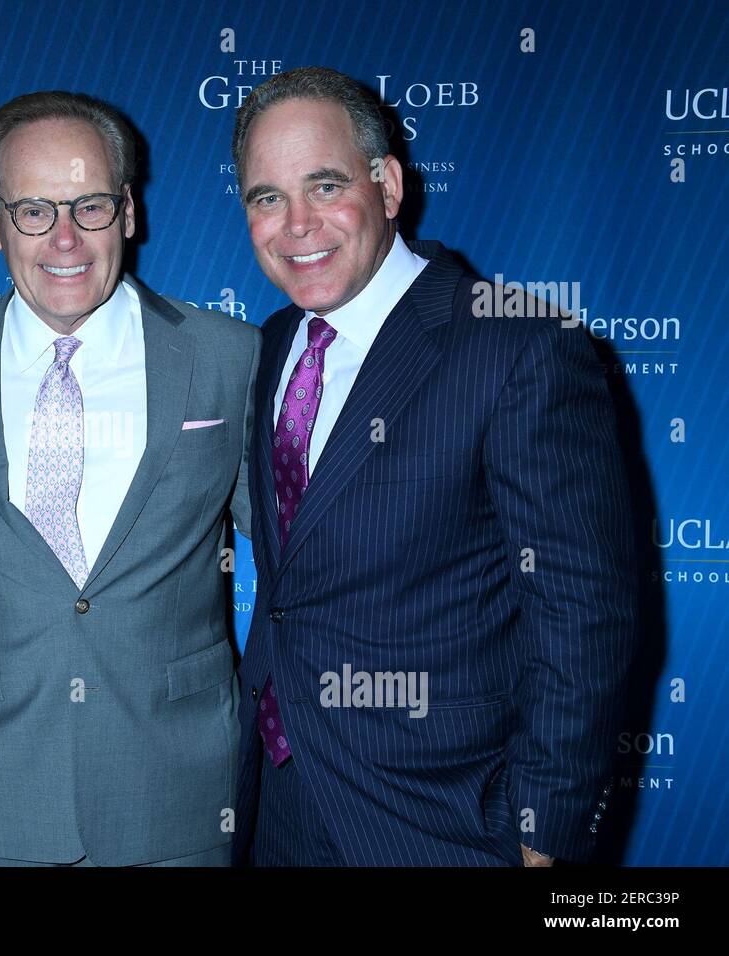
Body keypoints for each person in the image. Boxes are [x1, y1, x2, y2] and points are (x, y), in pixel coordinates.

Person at [231, 66, 636, 866]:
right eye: (267, 197)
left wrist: (542, 833)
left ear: (387, 184)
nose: (297, 224)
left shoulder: (518, 345)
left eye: (325, 185)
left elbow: (584, 611)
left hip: (446, 821)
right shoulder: (276, 342)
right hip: (280, 803)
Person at [0, 91, 259, 866]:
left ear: (127, 211)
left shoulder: (230, 358)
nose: (64, 238)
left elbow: (311, 552)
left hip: (180, 792)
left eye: (89, 205)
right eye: (33, 210)